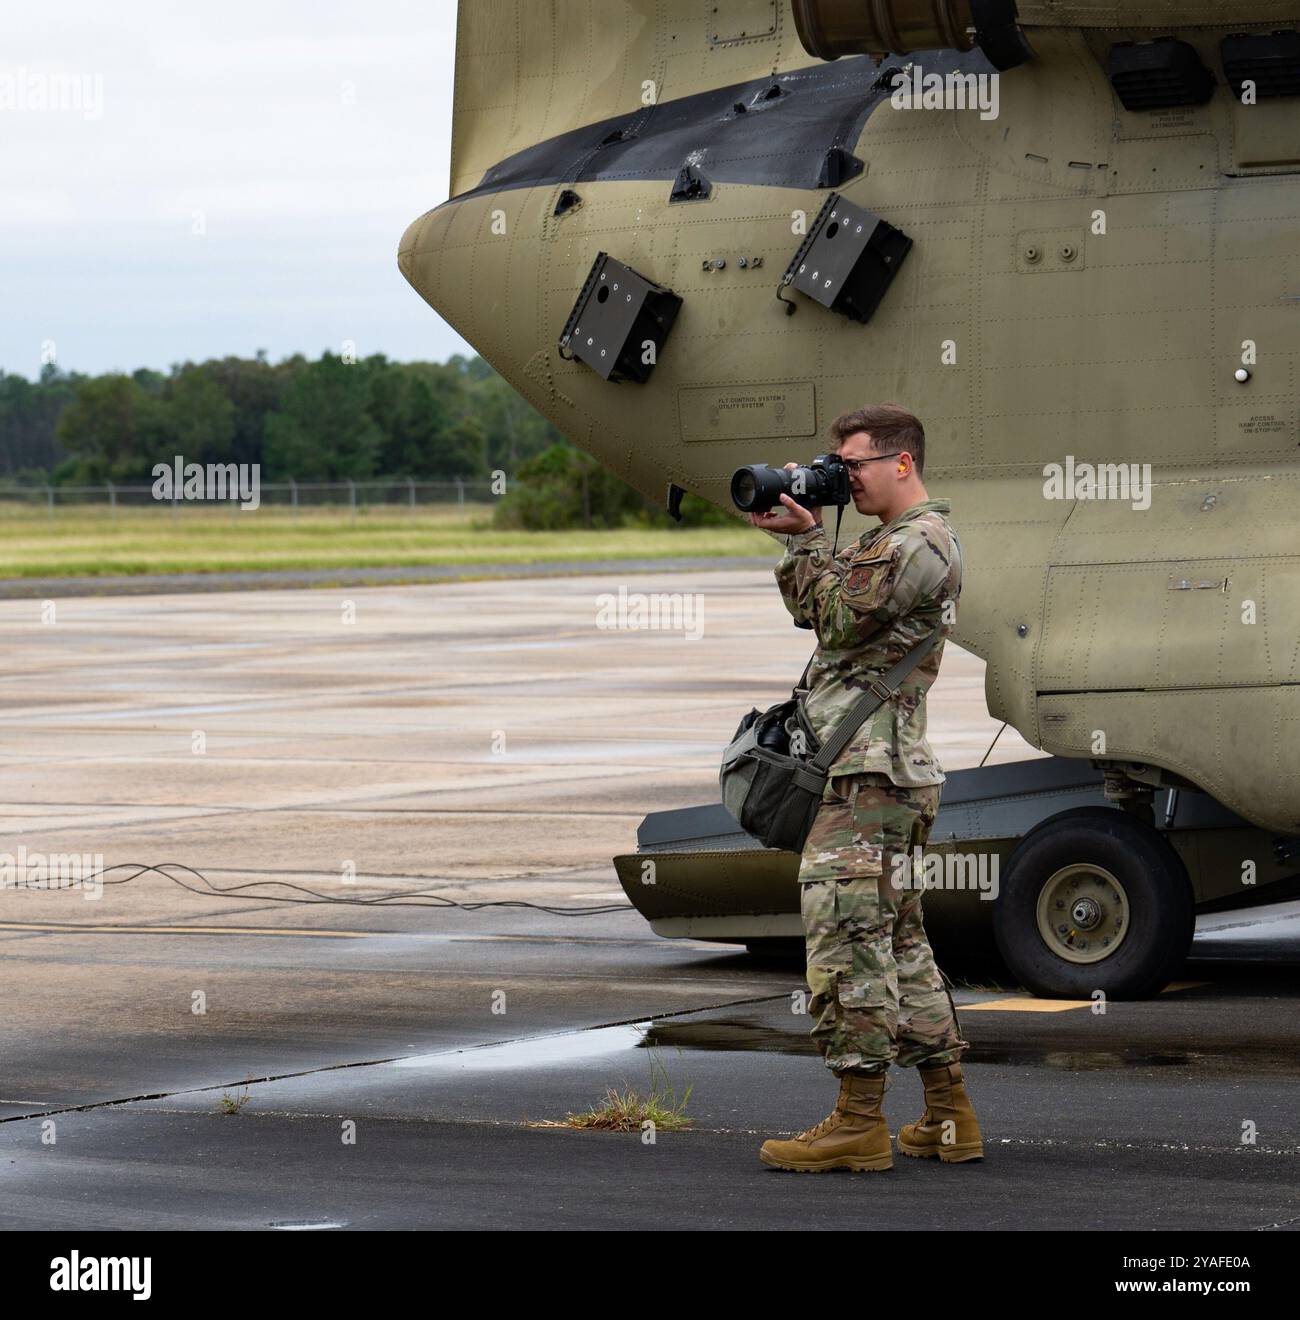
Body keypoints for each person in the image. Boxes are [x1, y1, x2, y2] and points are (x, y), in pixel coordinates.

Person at [747, 402, 983, 1173]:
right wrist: (801, 546)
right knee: (900, 942)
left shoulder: (922, 543)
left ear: (902, 463)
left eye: (853, 464)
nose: (842, 478)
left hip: (870, 780)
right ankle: (949, 1118)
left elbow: (841, 623)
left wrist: (812, 540)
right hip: (874, 775)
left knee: (845, 940)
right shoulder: (888, 542)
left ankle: (857, 1124)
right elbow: (816, 612)